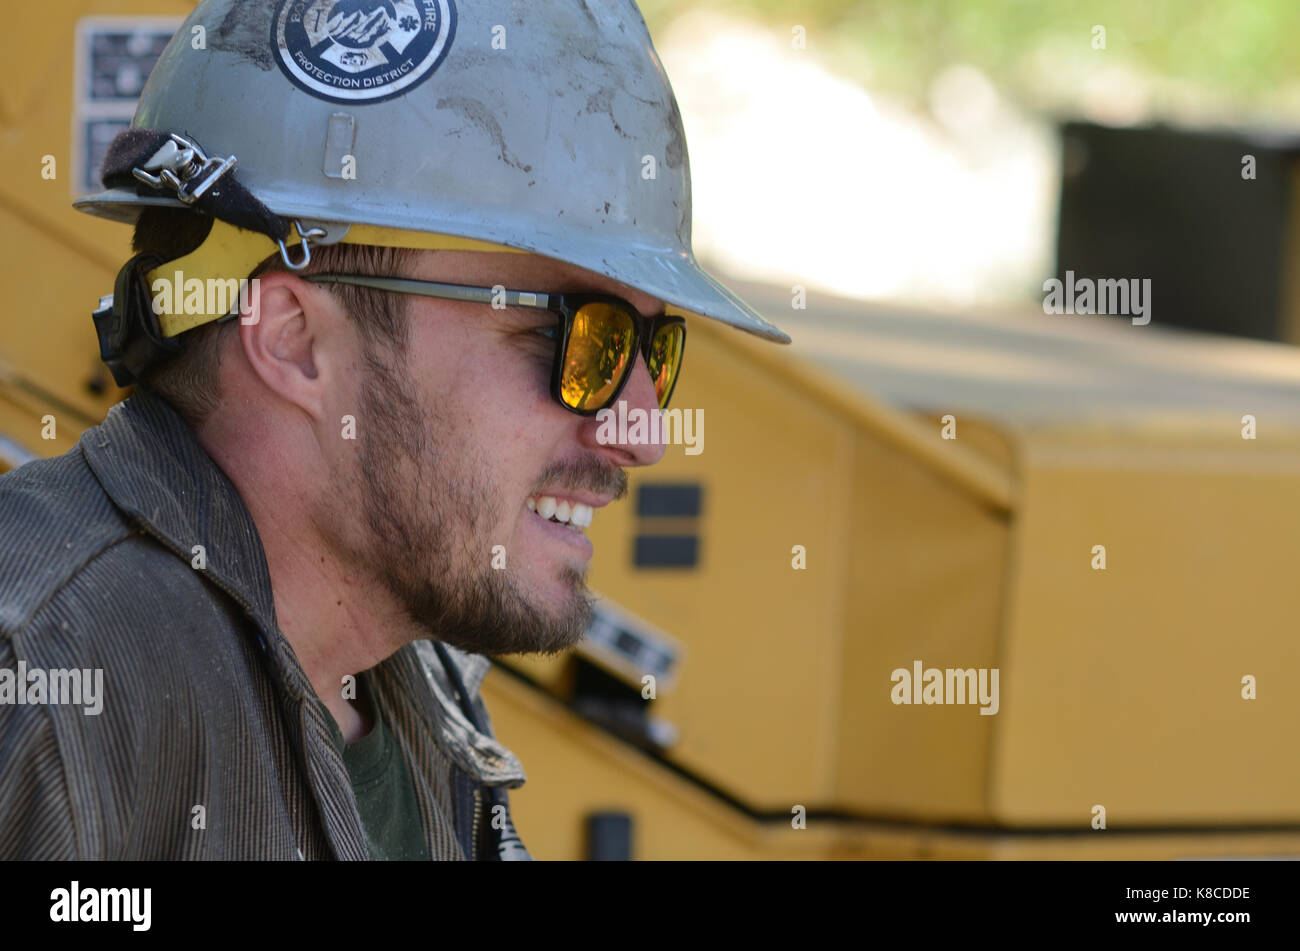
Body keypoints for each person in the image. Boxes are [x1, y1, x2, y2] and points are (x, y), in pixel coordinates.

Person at [0, 0, 788, 860]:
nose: (641, 432)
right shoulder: (43, 696)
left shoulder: (412, 678)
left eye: (655, 349)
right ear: (296, 341)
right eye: (579, 337)